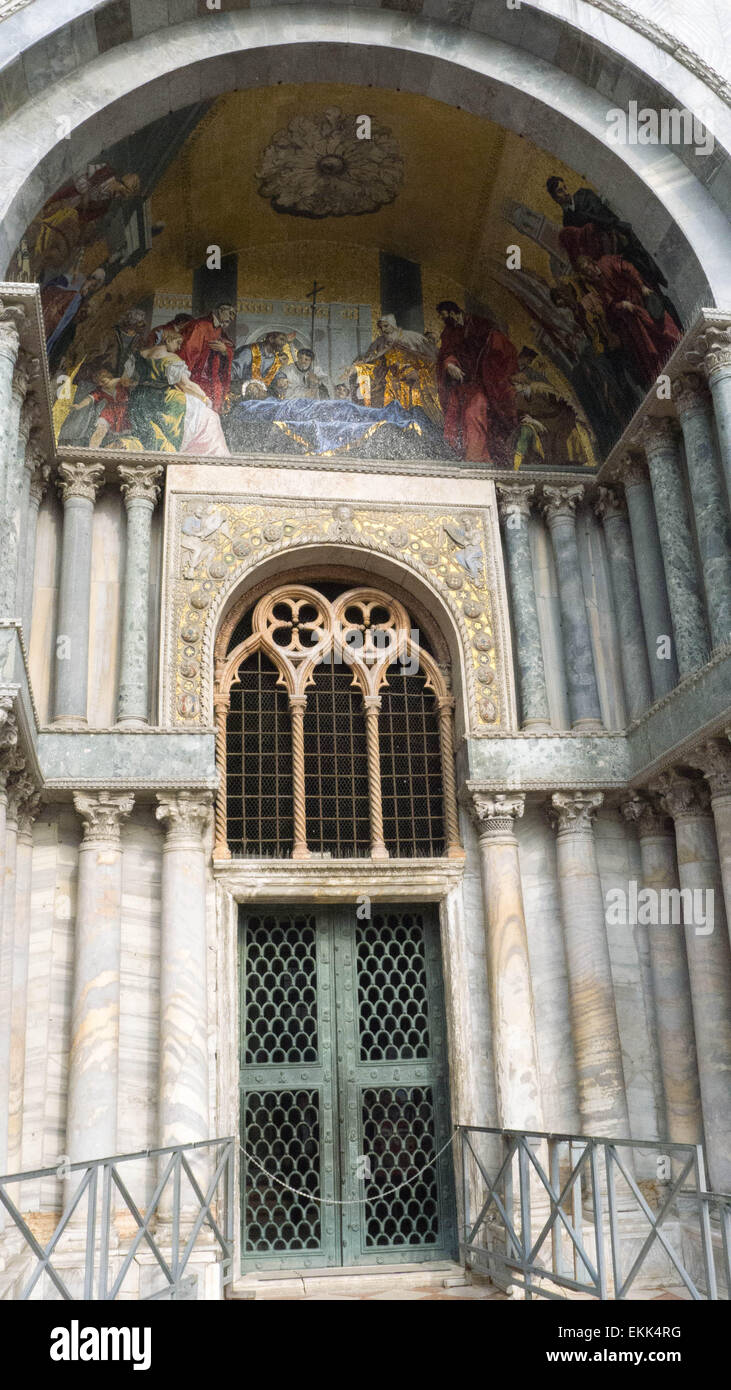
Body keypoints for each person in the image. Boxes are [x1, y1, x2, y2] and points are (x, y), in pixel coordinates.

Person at [546, 176, 682, 328]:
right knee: (635, 301)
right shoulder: (567, 222)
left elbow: (605, 217)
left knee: (649, 283)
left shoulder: (584, 196)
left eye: (565, 188)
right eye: (560, 191)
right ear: (554, 198)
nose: (565, 192)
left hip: (622, 247)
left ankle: (676, 323)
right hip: (609, 264)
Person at [575, 253, 681, 390]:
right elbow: (610, 304)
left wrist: (641, 286)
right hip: (631, 312)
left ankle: (677, 345)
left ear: (591, 262)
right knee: (645, 343)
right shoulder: (598, 283)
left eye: (587, 266)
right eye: (584, 271)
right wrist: (622, 305)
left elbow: (628, 269)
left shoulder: (607, 261)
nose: (588, 270)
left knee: (661, 327)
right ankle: (663, 369)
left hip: (640, 299)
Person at [435, 301, 518, 464]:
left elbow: (500, 349)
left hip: (483, 383)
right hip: (462, 386)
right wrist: (450, 364)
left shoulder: (480, 326)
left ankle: (476, 459)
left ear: (453, 312)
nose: (443, 320)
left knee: (473, 414)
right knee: (453, 420)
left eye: (444, 316)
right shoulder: (449, 333)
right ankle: (458, 457)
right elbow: (446, 354)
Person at [128, 326, 229, 454]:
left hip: (139, 401)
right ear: (168, 340)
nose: (179, 348)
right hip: (165, 401)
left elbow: (126, 381)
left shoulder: (138, 356)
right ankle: (210, 453)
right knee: (209, 416)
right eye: (178, 343)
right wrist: (204, 397)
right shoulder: (171, 359)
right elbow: (186, 385)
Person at [352, 313, 441, 426]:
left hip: (409, 380)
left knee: (415, 408)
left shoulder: (408, 337)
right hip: (390, 381)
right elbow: (372, 359)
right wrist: (361, 365)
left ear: (392, 325)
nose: (383, 329)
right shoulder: (379, 342)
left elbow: (424, 358)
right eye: (381, 327)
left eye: (386, 326)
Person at [155, 303, 235, 413]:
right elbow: (187, 353)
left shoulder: (219, 330)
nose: (232, 317)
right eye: (230, 313)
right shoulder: (200, 326)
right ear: (220, 311)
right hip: (195, 378)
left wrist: (225, 350)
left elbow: (229, 347)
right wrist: (185, 379)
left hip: (210, 379)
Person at [232, 330, 297, 391]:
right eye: (281, 339)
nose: (284, 343)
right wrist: (247, 385)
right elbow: (232, 373)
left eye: (285, 340)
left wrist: (280, 379)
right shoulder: (248, 351)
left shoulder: (273, 358)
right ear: (271, 339)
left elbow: (276, 373)